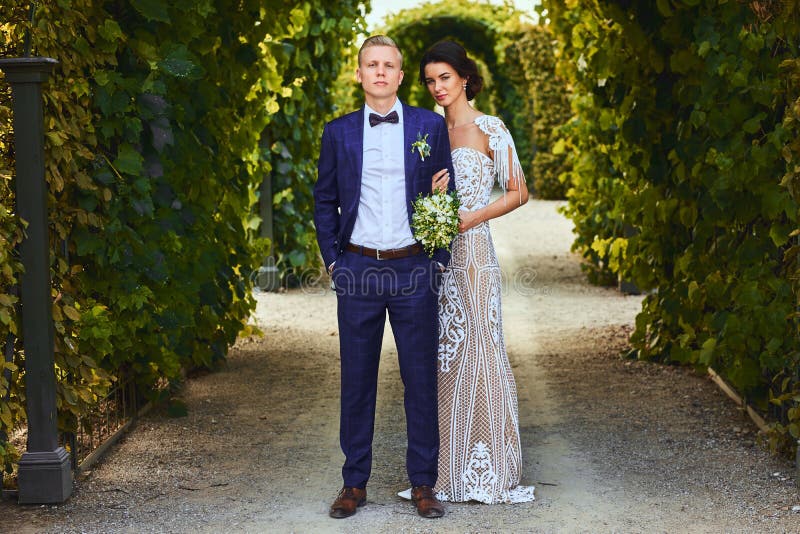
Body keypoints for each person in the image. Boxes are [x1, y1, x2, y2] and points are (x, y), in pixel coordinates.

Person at [313, 35, 456, 519]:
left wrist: (437, 259)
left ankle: (423, 484)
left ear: (399, 76)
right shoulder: (338, 132)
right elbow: (324, 198)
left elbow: (445, 193)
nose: (379, 72)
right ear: (359, 74)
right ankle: (354, 484)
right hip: (358, 268)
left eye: (388, 65)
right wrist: (335, 261)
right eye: (371, 65)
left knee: (420, 380)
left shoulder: (427, 126)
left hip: (414, 267)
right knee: (356, 380)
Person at [421, 40, 535, 504]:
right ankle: (445, 472)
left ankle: (491, 468)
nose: (438, 87)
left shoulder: (491, 127)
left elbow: (519, 191)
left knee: (479, 348)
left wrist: (474, 216)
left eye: (445, 77)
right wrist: (428, 191)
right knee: (441, 356)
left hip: (473, 253)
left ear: (464, 77)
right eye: (430, 80)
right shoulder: (426, 131)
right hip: (433, 255)